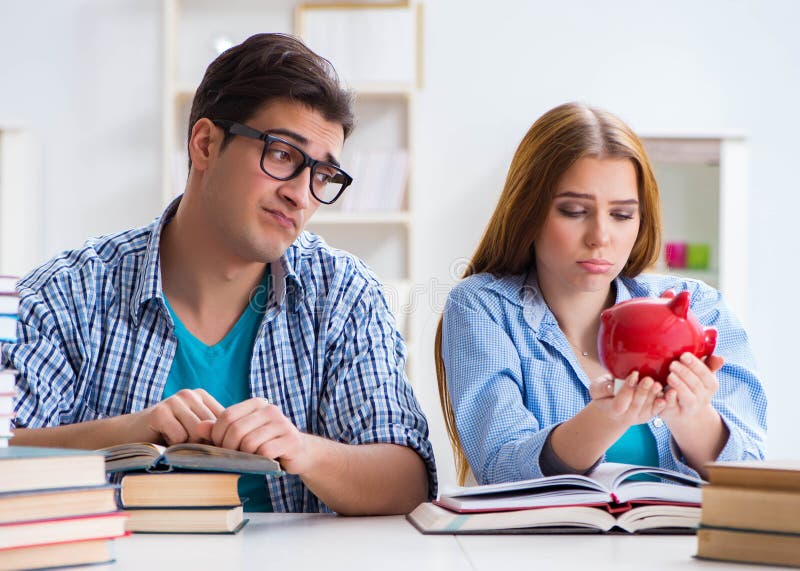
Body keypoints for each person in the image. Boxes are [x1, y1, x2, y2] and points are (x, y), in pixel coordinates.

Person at [5, 33, 435, 514]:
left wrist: (304, 451)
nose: (302, 195)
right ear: (206, 144)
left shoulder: (342, 295)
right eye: (282, 155)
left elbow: (409, 481)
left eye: (321, 175)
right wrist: (128, 432)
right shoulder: (69, 292)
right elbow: (7, 450)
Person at [435, 102, 767, 486]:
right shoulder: (484, 307)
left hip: (676, 545)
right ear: (529, 211)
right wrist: (606, 419)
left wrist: (692, 417)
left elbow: (750, 475)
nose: (600, 237)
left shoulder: (698, 309)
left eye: (623, 215)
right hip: (541, 547)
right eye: (574, 211)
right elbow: (499, 466)